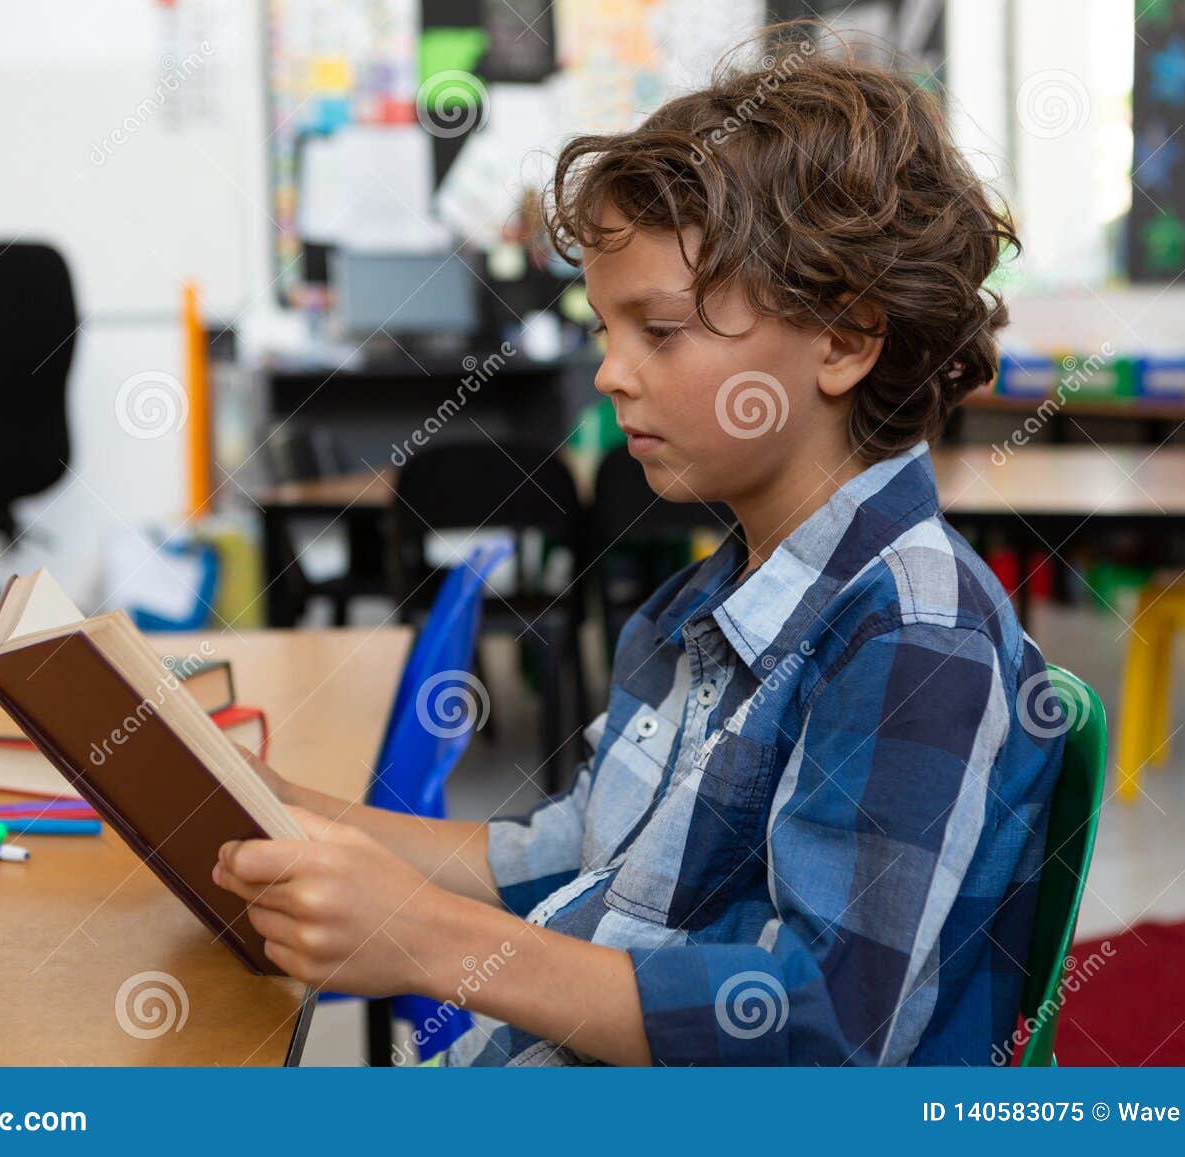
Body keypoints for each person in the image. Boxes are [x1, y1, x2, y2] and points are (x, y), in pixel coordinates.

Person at [214, 26, 1064, 1066]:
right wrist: (286, 808)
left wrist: (427, 939)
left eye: (657, 332)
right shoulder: (704, 603)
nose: (612, 375)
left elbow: (822, 1023)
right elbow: (567, 857)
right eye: (606, 331)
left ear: (842, 339)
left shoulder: (913, 630)